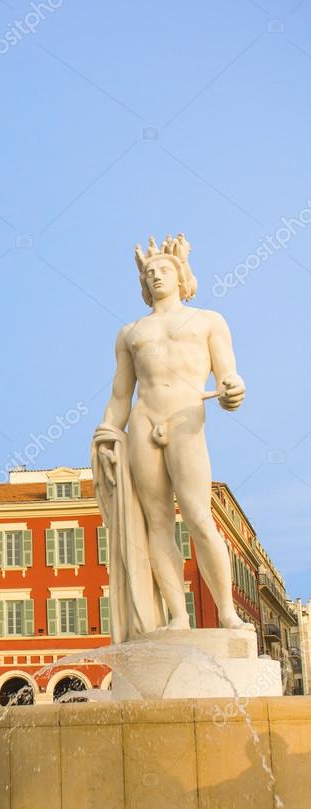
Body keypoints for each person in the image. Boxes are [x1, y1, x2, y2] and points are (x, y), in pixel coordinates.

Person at [91, 234, 248, 642]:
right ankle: (178, 616)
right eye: (149, 272)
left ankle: (227, 613)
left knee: (198, 515)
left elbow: (228, 376)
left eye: (163, 269)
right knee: (157, 523)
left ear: (181, 276)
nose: (155, 275)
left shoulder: (209, 321)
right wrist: (108, 433)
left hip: (184, 416)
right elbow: (121, 395)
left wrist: (233, 391)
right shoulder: (130, 333)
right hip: (144, 421)